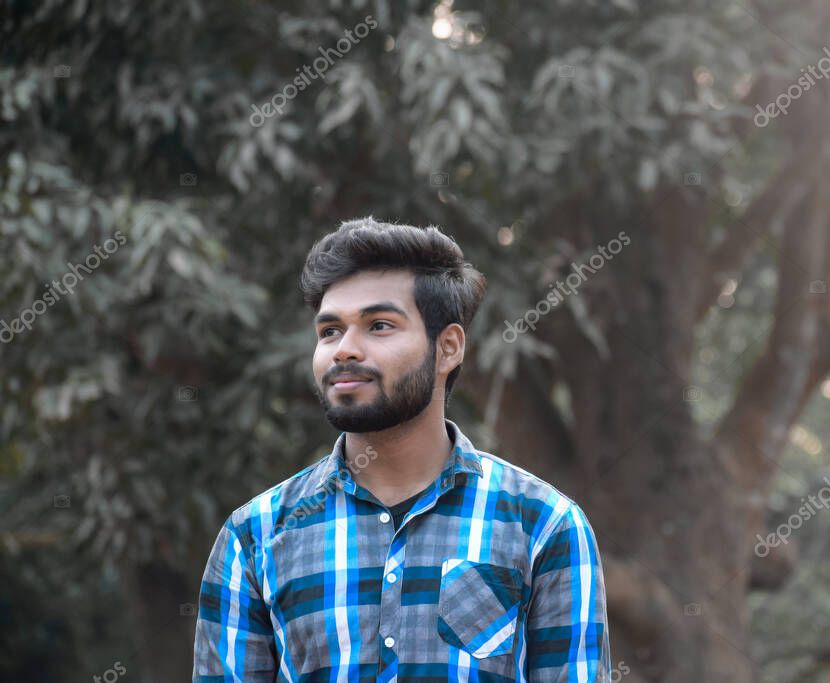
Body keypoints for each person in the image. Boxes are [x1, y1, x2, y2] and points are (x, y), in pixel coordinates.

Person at [192, 217, 612, 682]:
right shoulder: (256, 536)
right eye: (329, 331)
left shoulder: (541, 524)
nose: (344, 350)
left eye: (379, 325)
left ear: (448, 347)